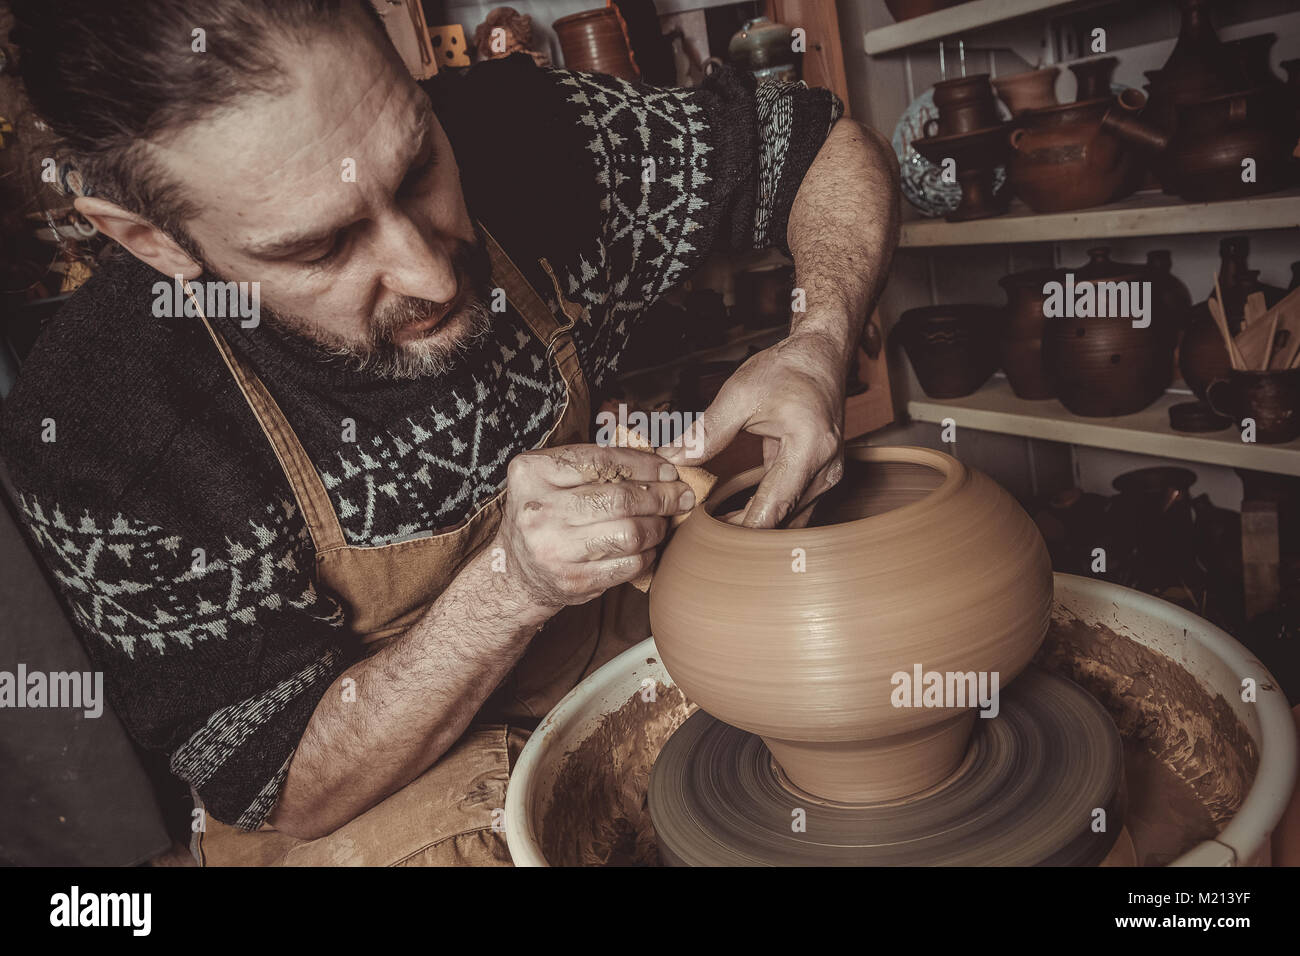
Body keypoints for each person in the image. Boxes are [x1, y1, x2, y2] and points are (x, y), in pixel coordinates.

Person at [0, 0, 899, 865]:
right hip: (366, 798)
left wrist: (818, 336)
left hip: (604, 652)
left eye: (418, 168)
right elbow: (285, 785)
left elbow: (820, 147)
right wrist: (509, 584)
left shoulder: (526, 132)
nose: (429, 273)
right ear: (153, 241)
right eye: (322, 248)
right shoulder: (100, 428)